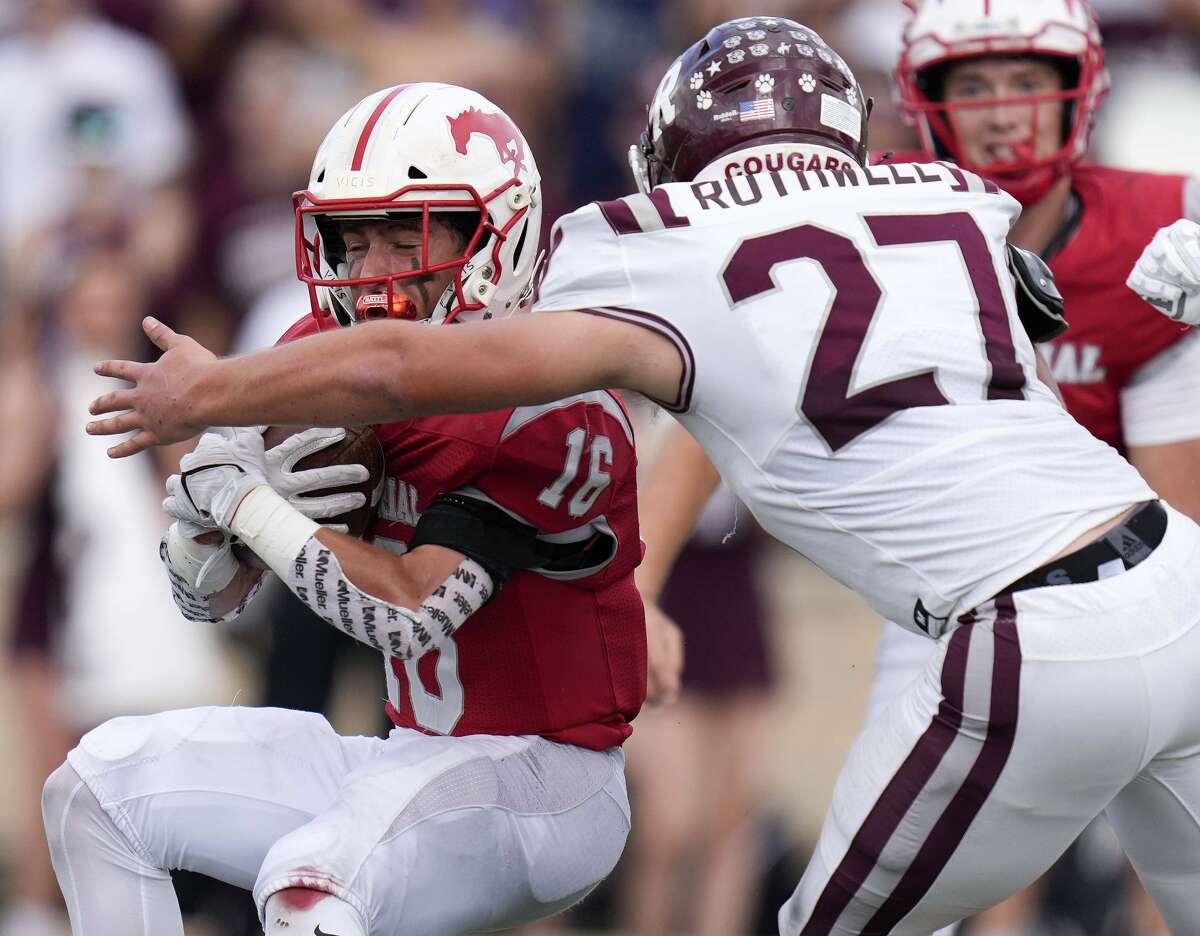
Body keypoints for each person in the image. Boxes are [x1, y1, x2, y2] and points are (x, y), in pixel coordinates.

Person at [85, 16, 1200, 934]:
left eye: (410, 237)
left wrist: (209, 402)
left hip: (1032, 632)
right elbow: (824, 374)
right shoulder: (955, 199)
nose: (379, 272)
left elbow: (400, 369)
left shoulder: (653, 244)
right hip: (1178, 576)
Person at [45, 83, 642, 936]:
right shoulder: (318, 359)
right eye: (352, 242)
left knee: (309, 884)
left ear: (496, 238)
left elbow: (414, 613)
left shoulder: (549, 401)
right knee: (96, 789)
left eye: (406, 239)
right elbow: (203, 598)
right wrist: (208, 532)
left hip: (548, 781)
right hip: (408, 756)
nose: (372, 276)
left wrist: (252, 507)